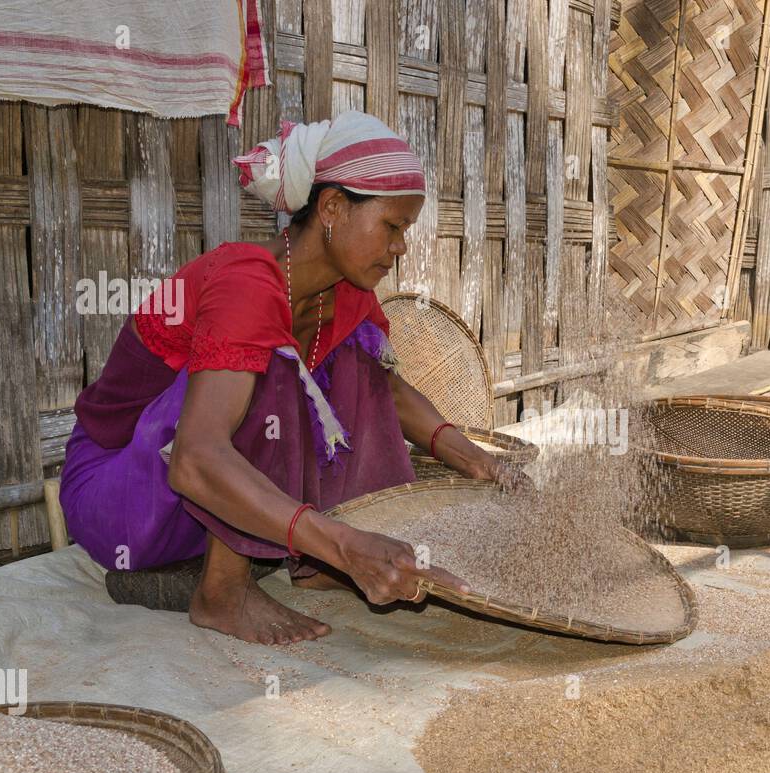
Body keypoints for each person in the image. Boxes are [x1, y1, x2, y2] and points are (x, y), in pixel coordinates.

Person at [60, 111, 516, 646]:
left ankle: (315, 562)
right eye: (392, 227)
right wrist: (345, 544)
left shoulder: (346, 293)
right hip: (123, 495)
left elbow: (389, 393)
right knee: (278, 367)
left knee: (356, 361)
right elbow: (194, 459)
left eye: (405, 232)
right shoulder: (246, 280)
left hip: (202, 507)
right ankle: (223, 594)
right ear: (331, 207)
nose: (400, 249)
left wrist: (474, 459)